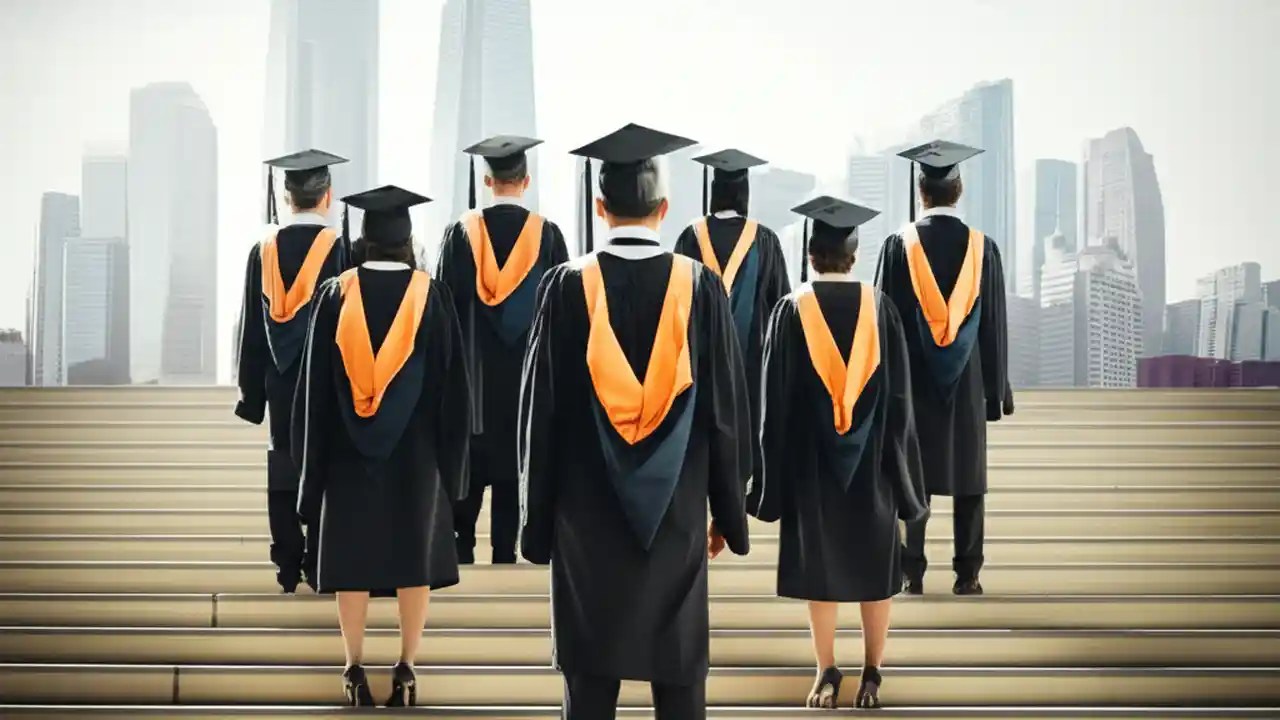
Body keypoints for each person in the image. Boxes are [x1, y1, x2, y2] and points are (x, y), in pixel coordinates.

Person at [519, 124, 752, 720]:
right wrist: (728, 515)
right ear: (665, 208)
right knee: (678, 686)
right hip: (675, 526)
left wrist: (537, 524)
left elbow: (540, 419)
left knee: (589, 689)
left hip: (586, 527)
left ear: (600, 207)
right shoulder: (698, 287)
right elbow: (725, 414)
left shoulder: (568, 287)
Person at [292, 185, 471, 707]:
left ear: (364, 240)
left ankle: (352, 666)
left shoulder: (335, 294)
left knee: (352, 560)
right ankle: (407, 665)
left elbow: (316, 394)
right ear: (407, 239)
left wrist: (312, 471)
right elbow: (452, 391)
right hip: (416, 459)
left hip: (349, 457)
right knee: (413, 561)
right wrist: (453, 472)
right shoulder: (430, 296)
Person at [750, 196, 927, 709]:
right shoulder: (881, 309)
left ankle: (827, 671)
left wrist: (768, 485)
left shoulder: (790, 311)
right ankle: (874, 672)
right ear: (854, 254)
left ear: (811, 255)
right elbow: (899, 402)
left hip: (811, 468)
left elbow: (774, 407)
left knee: (821, 573)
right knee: (876, 571)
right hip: (872, 467)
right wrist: (904, 476)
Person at [875, 140, 1012, 596]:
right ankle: (967, 573)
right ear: (960, 189)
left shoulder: (899, 246)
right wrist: (996, 391)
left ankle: (911, 570)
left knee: (914, 471)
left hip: (912, 384)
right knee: (969, 475)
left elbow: (883, 323)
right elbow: (992, 324)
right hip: (968, 381)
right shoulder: (982, 248)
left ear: (921, 192)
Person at [436, 135, 569, 565]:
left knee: (469, 462)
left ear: (487, 181)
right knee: (516, 464)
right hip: (523, 384)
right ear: (525, 180)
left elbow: (443, 316)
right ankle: (504, 552)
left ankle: (461, 544)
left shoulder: (460, 235)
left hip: (472, 384)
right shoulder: (547, 236)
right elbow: (564, 319)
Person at [234, 148, 350, 593]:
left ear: (285, 196)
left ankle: (286, 562)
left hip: (280, 381)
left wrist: (252, 395)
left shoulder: (261, 251)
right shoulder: (340, 250)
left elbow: (251, 329)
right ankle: (319, 559)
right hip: (327, 383)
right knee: (324, 464)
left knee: (282, 464)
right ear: (328, 196)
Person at [674, 149, 791, 481]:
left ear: (713, 192)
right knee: (742, 450)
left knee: (701, 450)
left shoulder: (689, 238)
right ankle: (734, 508)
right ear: (745, 193)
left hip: (699, 366)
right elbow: (781, 308)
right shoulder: (765, 240)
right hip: (751, 372)